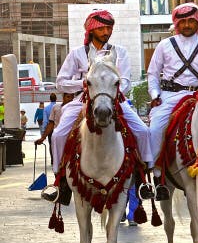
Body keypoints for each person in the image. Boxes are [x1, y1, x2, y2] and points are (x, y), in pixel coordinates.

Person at [41, 10, 153, 203]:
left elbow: (125, 80)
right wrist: (85, 83)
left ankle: (144, 180)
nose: (106, 31)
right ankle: (59, 181)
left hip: (113, 99)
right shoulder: (77, 54)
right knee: (58, 135)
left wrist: (112, 89)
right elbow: (61, 82)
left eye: (109, 27)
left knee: (143, 131)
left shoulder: (120, 52)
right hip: (81, 101)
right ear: (92, 29)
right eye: (101, 28)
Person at [147, 2, 198, 200]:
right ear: (177, 24)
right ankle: (156, 174)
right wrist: (155, 95)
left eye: (191, 21)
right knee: (154, 129)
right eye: (183, 21)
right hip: (170, 96)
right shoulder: (164, 45)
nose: (187, 25)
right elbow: (153, 74)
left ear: (197, 23)